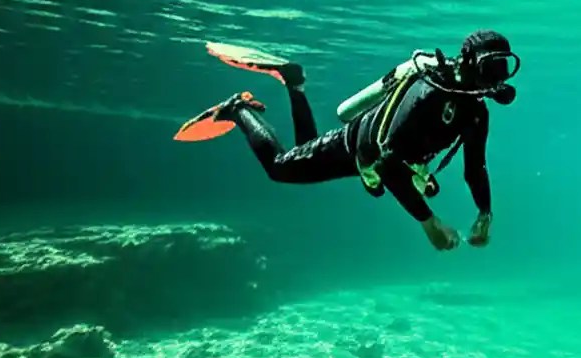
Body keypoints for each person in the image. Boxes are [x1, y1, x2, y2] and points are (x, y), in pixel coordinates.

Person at [176, 30, 520, 251]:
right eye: (491, 67)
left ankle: (294, 83)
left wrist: (484, 212)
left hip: (381, 159)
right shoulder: (429, 94)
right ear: (469, 63)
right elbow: (387, 163)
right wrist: (429, 223)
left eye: (504, 68)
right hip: (353, 147)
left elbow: (475, 167)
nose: (497, 78)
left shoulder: (476, 112)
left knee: (304, 149)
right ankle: (237, 108)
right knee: (280, 168)